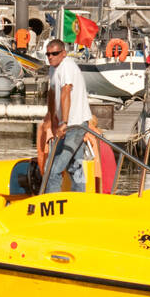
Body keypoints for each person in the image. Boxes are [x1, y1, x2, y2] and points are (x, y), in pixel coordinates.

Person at [40, 38, 93, 193]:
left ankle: (51, 201)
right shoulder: (53, 68)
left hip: (74, 125)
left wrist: (63, 122)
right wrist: (51, 118)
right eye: (48, 54)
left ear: (63, 53)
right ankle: (79, 199)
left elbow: (66, 92)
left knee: (53, 169)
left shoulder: (67, 66)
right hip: (68, 125)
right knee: (75, 166)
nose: (50, 57)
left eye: (54, 53)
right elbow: (52, 93)